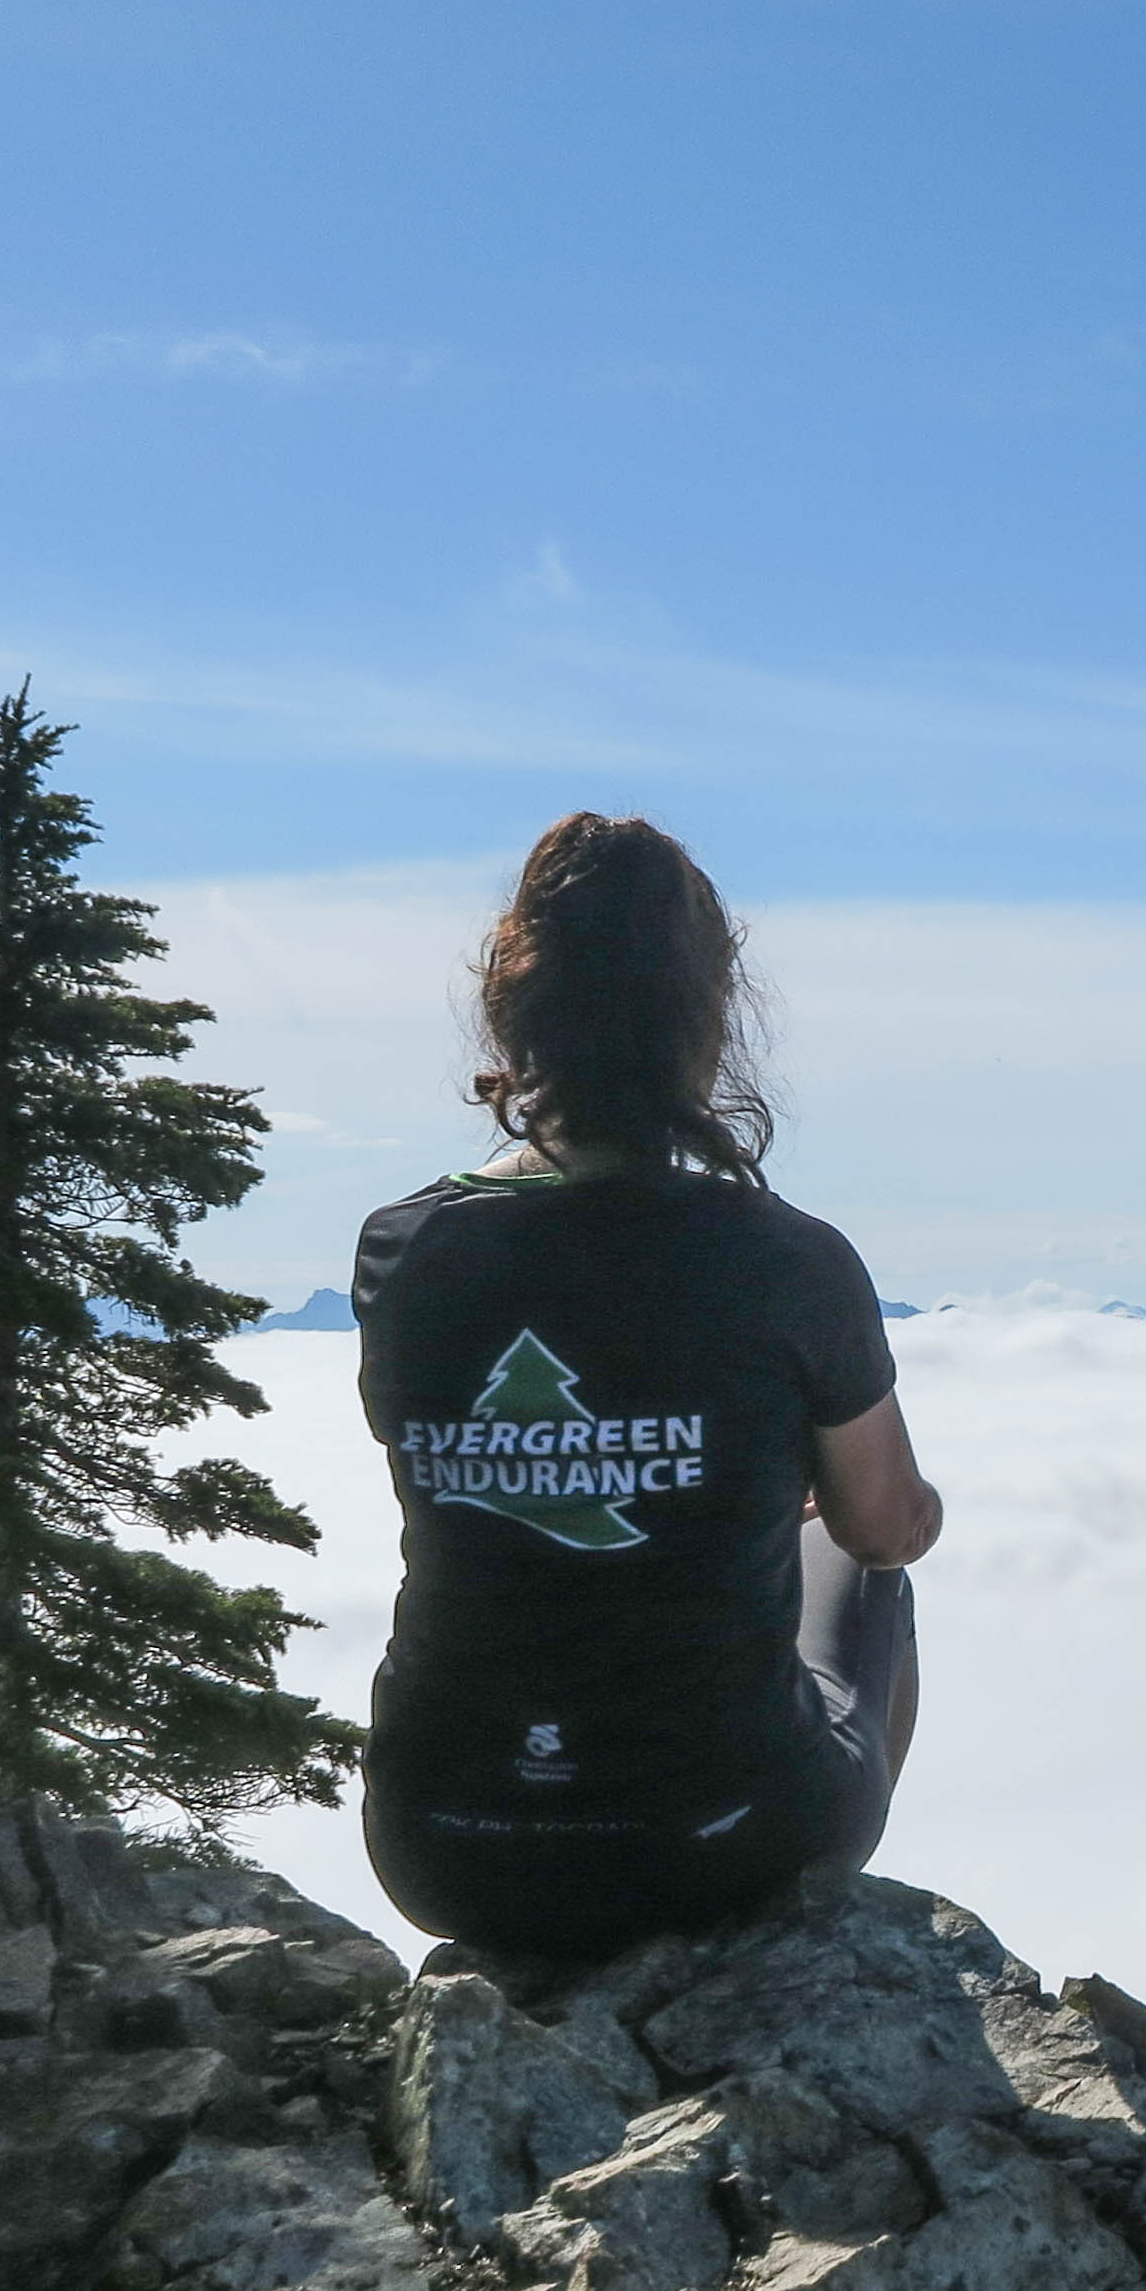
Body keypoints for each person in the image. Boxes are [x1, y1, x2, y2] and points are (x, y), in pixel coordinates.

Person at [349, 814, 941, 1960]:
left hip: (441, 1847)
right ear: (706, 1017)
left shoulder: (404, 1248)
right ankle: (815, 1952)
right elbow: (885, 1529)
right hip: (722, 1841)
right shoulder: (788, 1259)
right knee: (866, 1583)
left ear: (512, 1011)